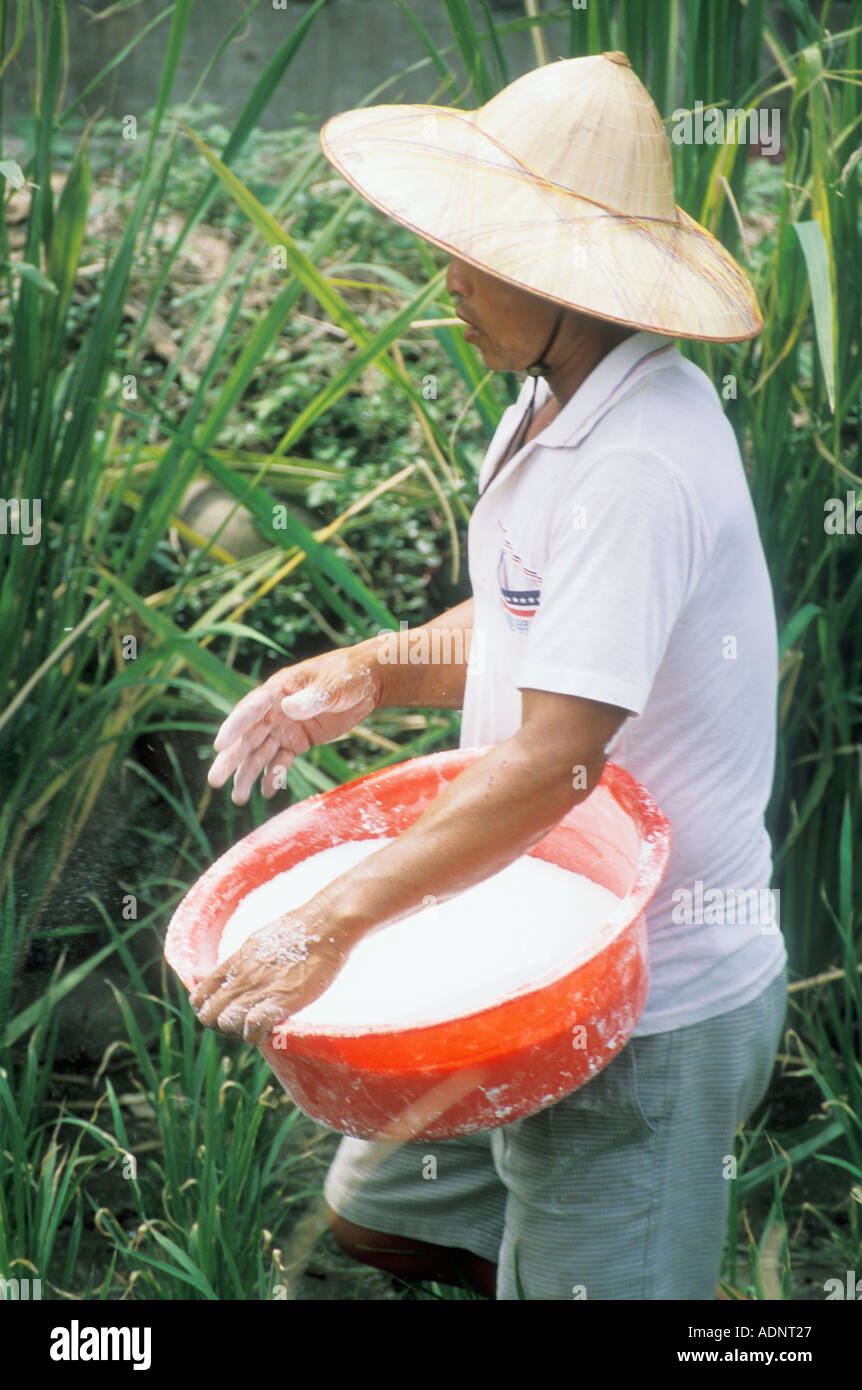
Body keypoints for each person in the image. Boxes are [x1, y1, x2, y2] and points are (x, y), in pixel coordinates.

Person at [192, 52, 788, 1300]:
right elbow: (537, 619)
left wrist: (330, 919)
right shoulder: (553, 395)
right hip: (519, 940)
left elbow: (559, 757)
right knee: (383, 1219)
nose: (446, 279)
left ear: (564, 283)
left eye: (476, 255)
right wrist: (369, 669)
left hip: (643, 995)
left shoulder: (638, 461)